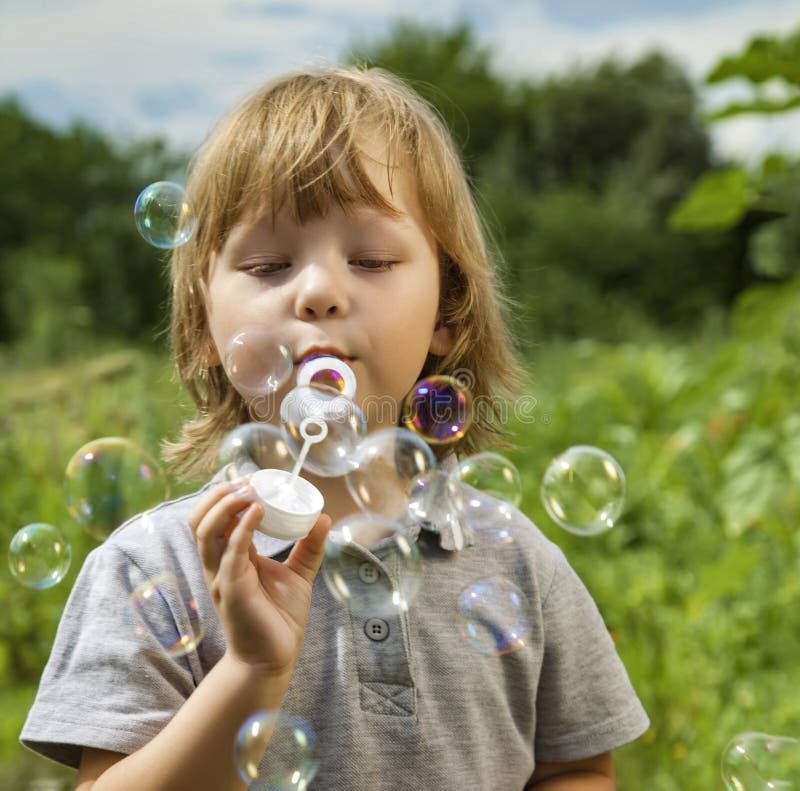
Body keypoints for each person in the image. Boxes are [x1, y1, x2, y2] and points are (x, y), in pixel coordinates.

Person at [21, 66, 649, 790]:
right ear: (202, 326)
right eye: (267, 264)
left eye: (372, 259)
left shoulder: (516, 565)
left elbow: (576, 766)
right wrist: (252, 670)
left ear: (448, 309)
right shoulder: (156, 569)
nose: (318, 291)